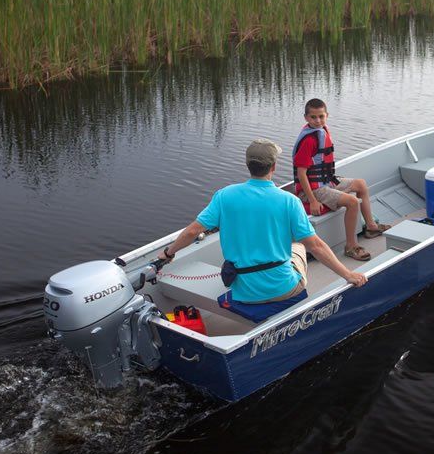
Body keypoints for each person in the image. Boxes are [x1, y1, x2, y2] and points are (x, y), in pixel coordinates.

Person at [157, 138, 367, 319]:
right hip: (283, 290)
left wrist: (168, 253)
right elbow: (316, 246)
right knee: (299, 247)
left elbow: (192, 232)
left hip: (243, 292)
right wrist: (348, 274)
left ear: (248, 165)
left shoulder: (224, 195)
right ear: (274, 167)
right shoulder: (289, 201)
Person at [293, 98, 390, 262]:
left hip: (325, 181)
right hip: (312, 189)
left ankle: (371, 227)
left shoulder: (322, 131)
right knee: (352, 202)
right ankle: (351, 246)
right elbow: (302, 174)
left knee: (361, 184)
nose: (318, 121)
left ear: (327, 115)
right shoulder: (309, 140)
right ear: (306, 118)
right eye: (313, 117)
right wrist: (312, 200)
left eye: (321, 116)